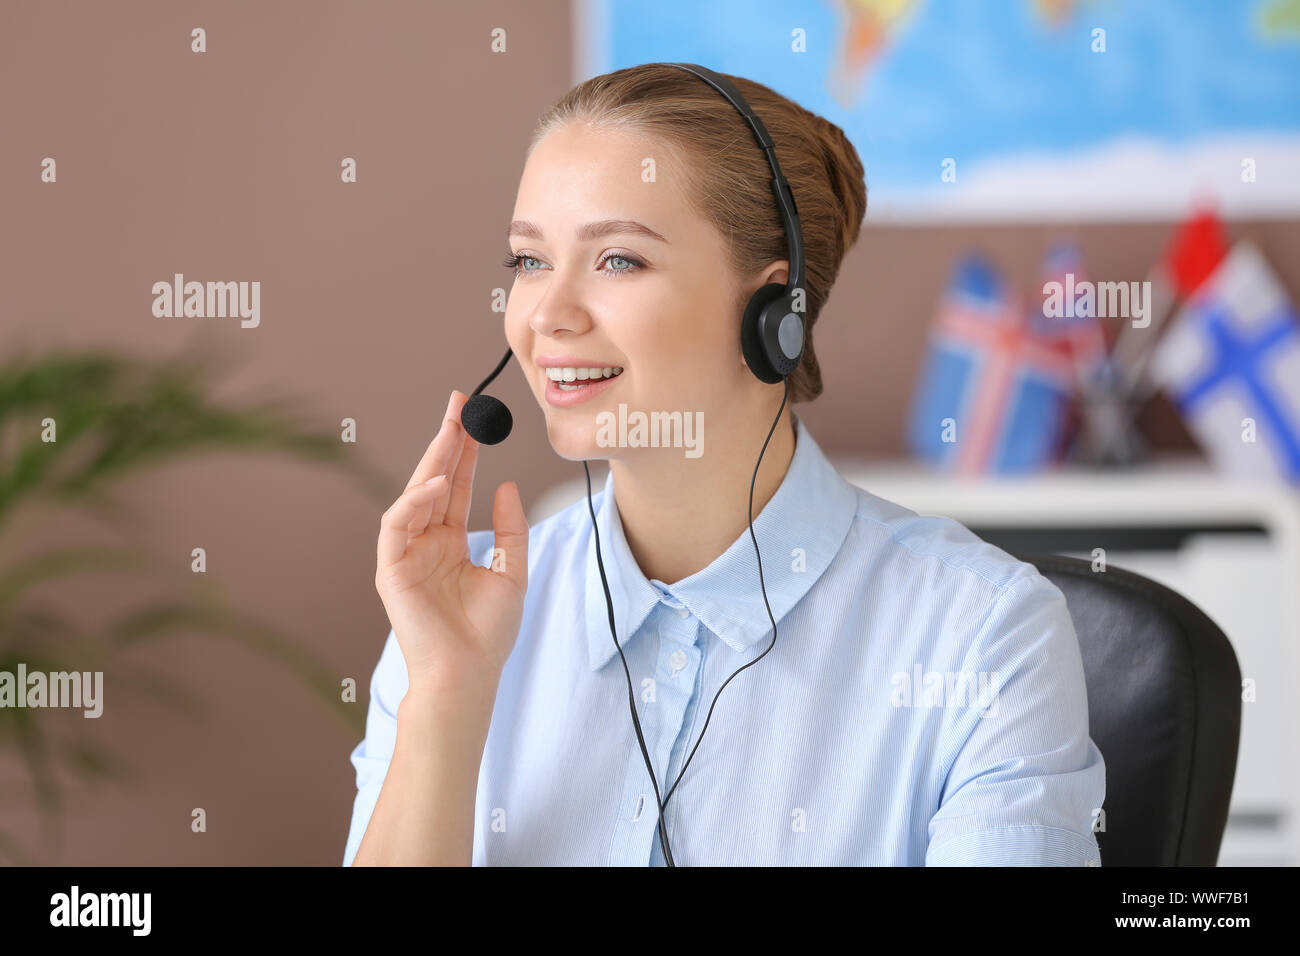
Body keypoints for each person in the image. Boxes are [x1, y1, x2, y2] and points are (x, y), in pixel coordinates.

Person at [343, 63, 1105, 866]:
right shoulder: (457, 613)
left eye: (618, 260)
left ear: (772, 312)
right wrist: (445, 697)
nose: (547, 317)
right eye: (529, 262)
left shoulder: (979, 635)